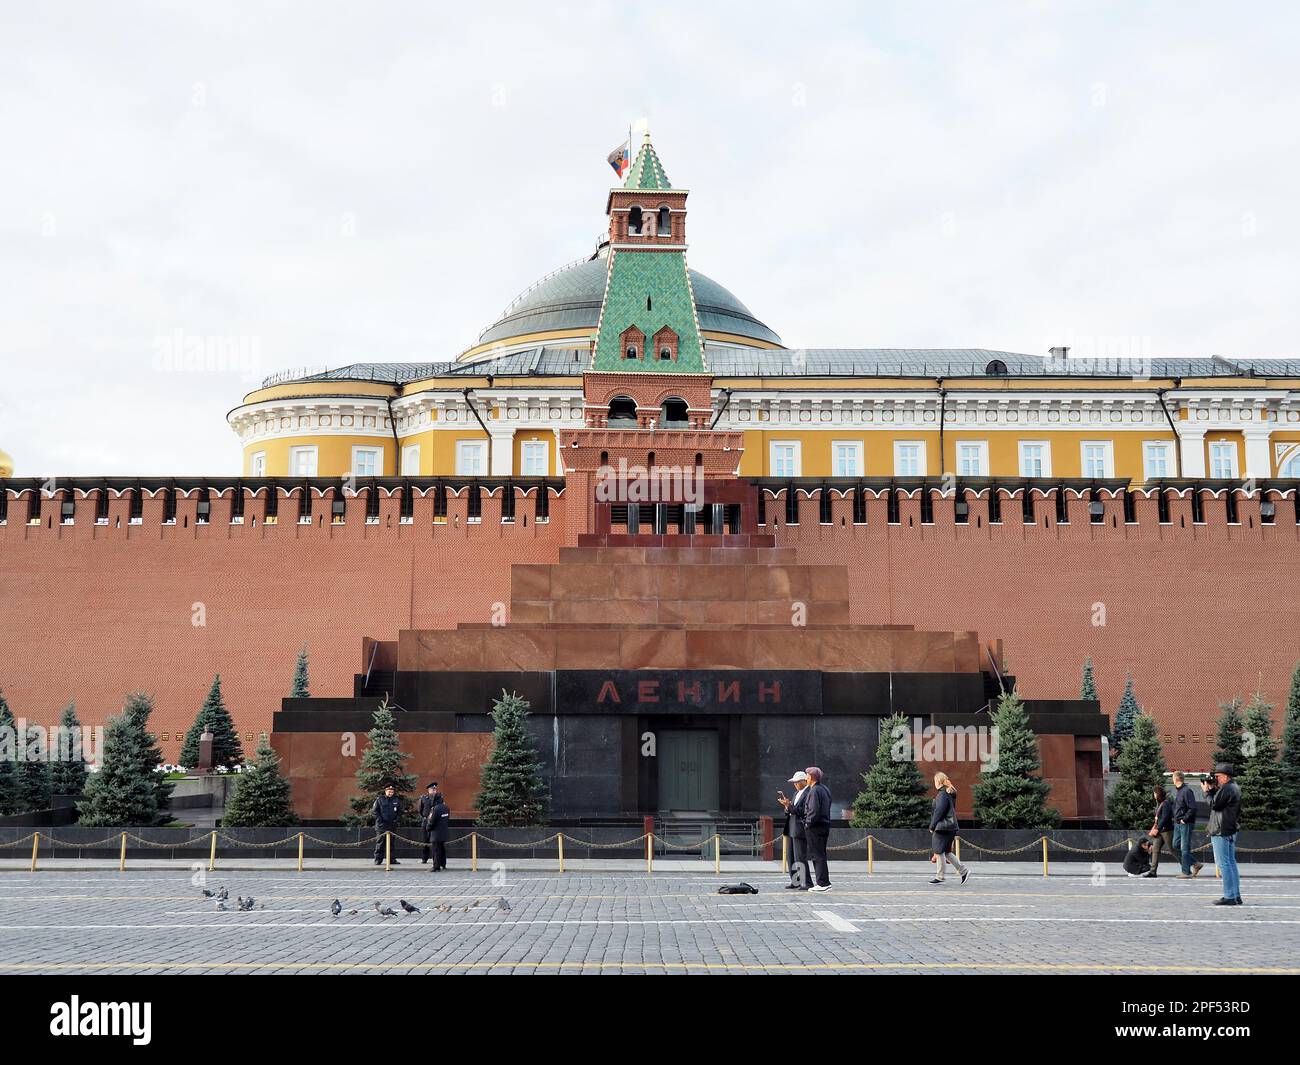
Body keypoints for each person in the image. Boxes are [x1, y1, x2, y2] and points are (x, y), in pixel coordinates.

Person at [1203, 764, 1243, 906]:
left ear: (1225, 776)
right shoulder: (1233, 787)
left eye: (1218, 776)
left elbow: (1214, 805)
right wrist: (1214, 790)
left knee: (1223, 863)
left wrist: (1207, 793)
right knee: (1231, 863)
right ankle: (1235, 895)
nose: (1216, 779)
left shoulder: (1227, 788)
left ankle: (1229, 896)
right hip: (1230, 828)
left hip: (1221, 829)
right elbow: (1221, 803)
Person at [928, 771, 970, 884]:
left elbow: (939, 811)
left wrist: (932, 825)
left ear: (938, 781)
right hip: (950, 827)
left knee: (938, 850)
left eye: (935, 781)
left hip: (942, 827)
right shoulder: (949, 793)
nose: (934, 783)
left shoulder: (942, 794)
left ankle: (940, 876)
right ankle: (964, 871)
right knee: (946, 851)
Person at [777, 771, 811, 889]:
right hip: (791, 827)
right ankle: (795, 880)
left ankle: (806, 882)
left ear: (804, 781)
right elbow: (791, 811)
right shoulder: (797, 793)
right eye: (794, 782)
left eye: (797, 782)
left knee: (800, 857)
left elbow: (801, 811)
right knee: (791, 856)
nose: (795, 784)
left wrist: (789, 806)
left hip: (799, 828)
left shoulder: (808, 793)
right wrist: (787, 806)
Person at [801, 766, 833, 892]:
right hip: (824, 825)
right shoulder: (824, 788)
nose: (806, 778)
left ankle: (823, 883)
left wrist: (807, 823)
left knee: (817, 855)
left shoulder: (814, 791)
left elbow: (813, 811)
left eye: (807, 775)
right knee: (821, 854)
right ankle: (824, 882)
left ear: (812, 777)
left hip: (815, 827)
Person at [1170, 771, 1204, 879]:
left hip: (1185, 824)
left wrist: (1184, 819)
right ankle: (1195, 863)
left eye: (1172, 778)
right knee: (1175, 845)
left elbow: (1193, 808)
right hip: (1178, 824)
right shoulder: (1180, 791)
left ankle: (1186, 872)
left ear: (1176, 779)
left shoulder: (1187, 791)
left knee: (1184, 848)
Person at [1144, 785, 1174, 877]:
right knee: (1155, 850)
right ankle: (1153, 871)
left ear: (1157, 794)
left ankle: (1190, 866)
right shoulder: (1160, 803)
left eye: (1154, 793)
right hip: (1160, 831)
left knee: (1173, 849)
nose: (1153, 795)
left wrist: (1157, 828)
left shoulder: (1166, 804)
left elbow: (1164, 818)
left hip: (1166, 830)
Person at [372, 782, 402, 865]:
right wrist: (380, 820)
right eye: (389, 791)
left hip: (392, 826)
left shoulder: (396, 800)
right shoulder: (379, 800)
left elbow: (399, 812)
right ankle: (378, 859)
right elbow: (375, 812)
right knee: (380, 843)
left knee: (391, 844)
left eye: (392, 791)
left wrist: (396, 820)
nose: (390, 793)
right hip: (381, 826)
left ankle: (392, 859)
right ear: (385, 791)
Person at [417, 782, 439, 863]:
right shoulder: (423, 798)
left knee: (435, 841)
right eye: (433, 789)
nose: (434, 791)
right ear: (429, 790)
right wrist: (425, 817)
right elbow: (420, 810)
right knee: (425, 840)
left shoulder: (439, 798)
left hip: (435, 822)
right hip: (426, 822)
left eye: (435, 789)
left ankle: (435, 859)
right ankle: (424, 858)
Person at [428, 791, 450, 872]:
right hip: (444, 831)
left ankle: (436, 866)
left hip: (435, 833)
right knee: (442, 849)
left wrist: (428, 828)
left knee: (436, 850)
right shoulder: (446, 808)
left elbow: (431, 821)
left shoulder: (435, 809)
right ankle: (443, 864)